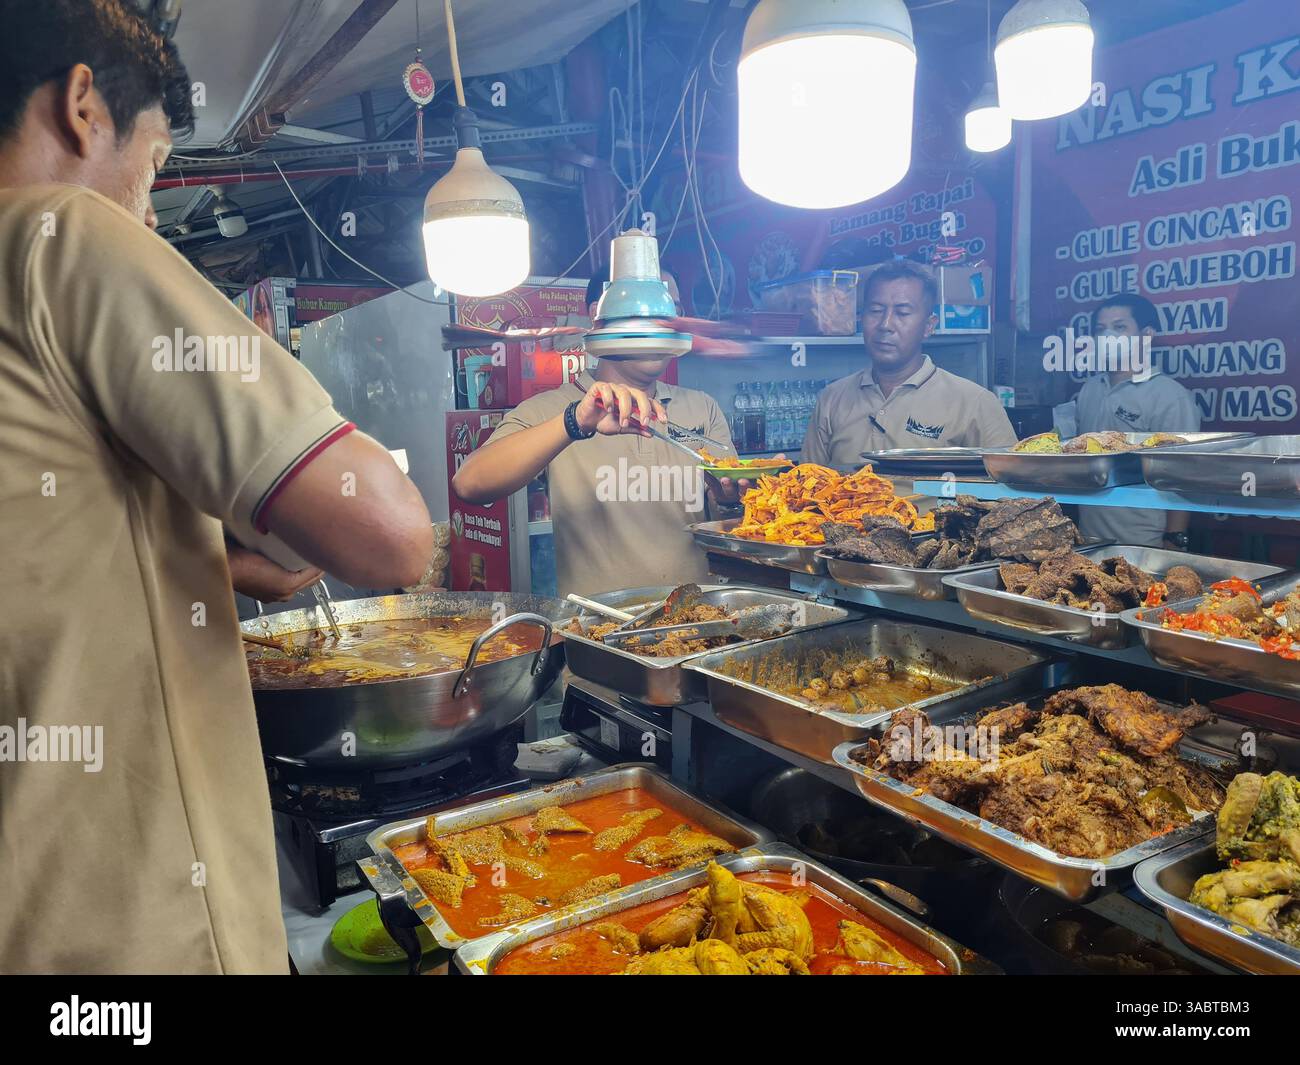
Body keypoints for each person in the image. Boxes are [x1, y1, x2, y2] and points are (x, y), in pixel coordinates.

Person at [0, 0, 434, 973]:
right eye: (152, 167)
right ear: (82, 106)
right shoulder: (54, 236)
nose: (149, 214)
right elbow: (390, 532)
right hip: (133, 934)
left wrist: (214, 561)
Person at [452, 269, 741, 596]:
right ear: (598, 317)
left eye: (670, 314)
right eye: (645, 313)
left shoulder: (702, 408)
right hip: (597, 631)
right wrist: (574, 422)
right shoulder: (553, 408)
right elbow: (469, 483)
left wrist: (731, 502)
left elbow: (730, 527)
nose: (662, 327)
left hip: (697, 623)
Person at [801, 261, 1016, 463]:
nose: (885, 324)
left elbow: (1011, 489)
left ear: (929, 326)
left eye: (902, 313)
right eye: (875, 311)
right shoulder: (832, 399)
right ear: (861, 318)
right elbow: (803, 486)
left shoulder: (975, 403)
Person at [1072, 293, 1200, 548]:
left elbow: (1184, 476)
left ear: (1147, 334)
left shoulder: (1169, 396)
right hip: (1089, 538)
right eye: (1101, 329)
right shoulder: (1090, 389)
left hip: (1143, 540)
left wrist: (1174, 538)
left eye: (1119, 327)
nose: (1107, 336)